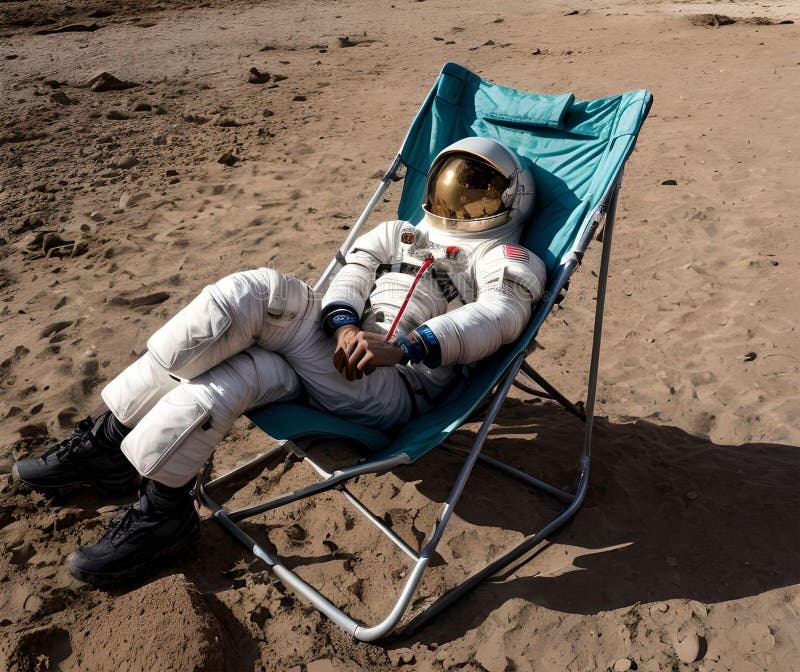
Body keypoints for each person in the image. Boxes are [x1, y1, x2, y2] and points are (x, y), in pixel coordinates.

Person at [12, 137, 547, 586]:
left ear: (511, 200)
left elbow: (499, 317)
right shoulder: (401, 232)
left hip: (393, 387)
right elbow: (354, 272)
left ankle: (108, 440)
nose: (458, 204)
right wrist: (341, 323)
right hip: (340, 354)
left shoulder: (508, 260)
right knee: (239, 373)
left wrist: (406, 346)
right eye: (452, 187)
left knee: (258, 294)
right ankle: (163, 510)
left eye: (476, 195)